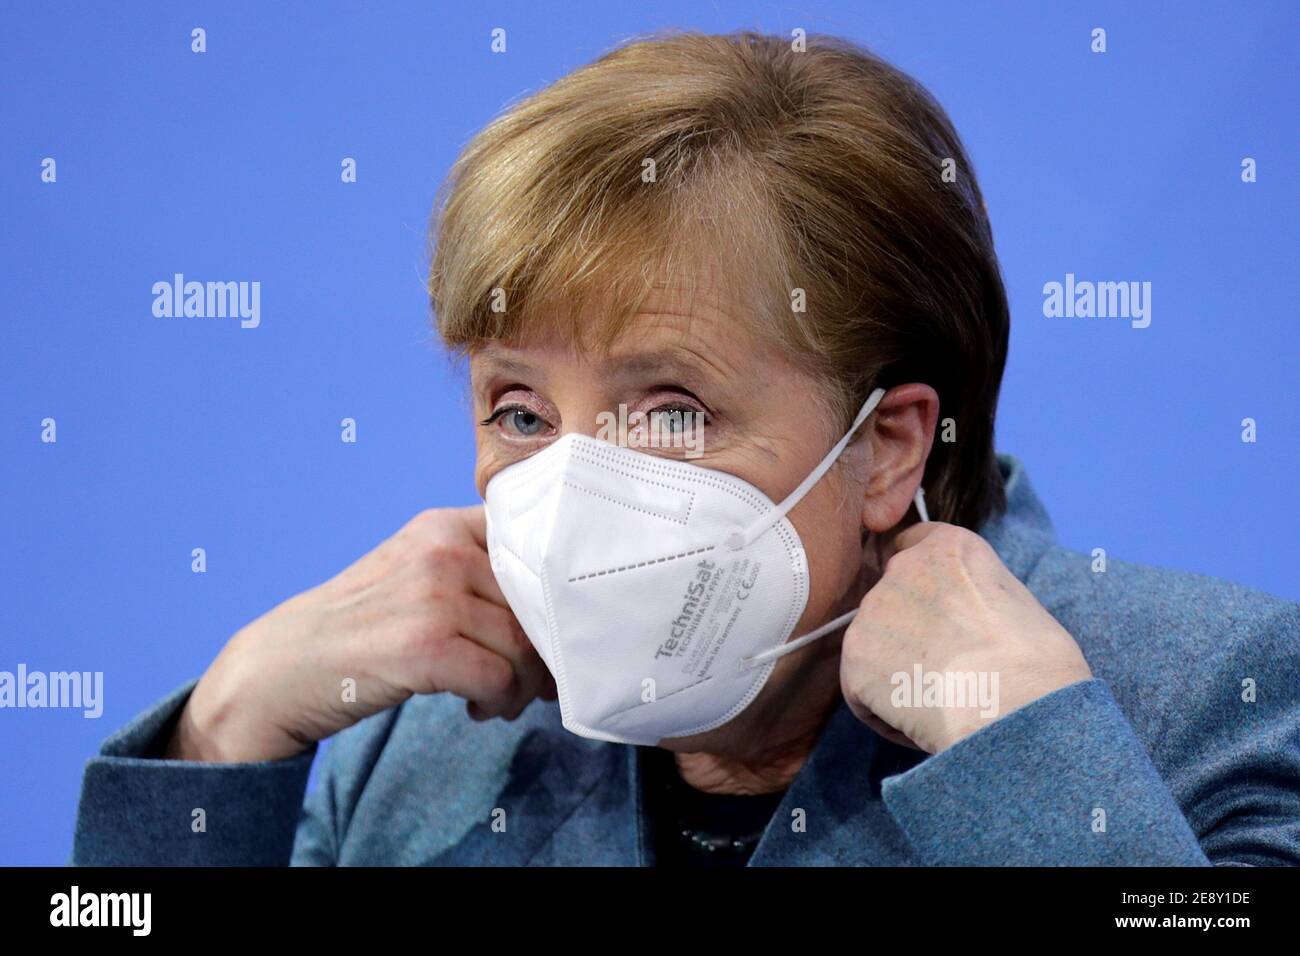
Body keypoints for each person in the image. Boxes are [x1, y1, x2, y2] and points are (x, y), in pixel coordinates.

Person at [71, 30, 1299, 867]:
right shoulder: (420, 754)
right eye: (518, 413)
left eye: (669, 410)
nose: (570, 489)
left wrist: (1028, 757)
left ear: (884, 448)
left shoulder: (1201, 702)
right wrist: (217, 743)